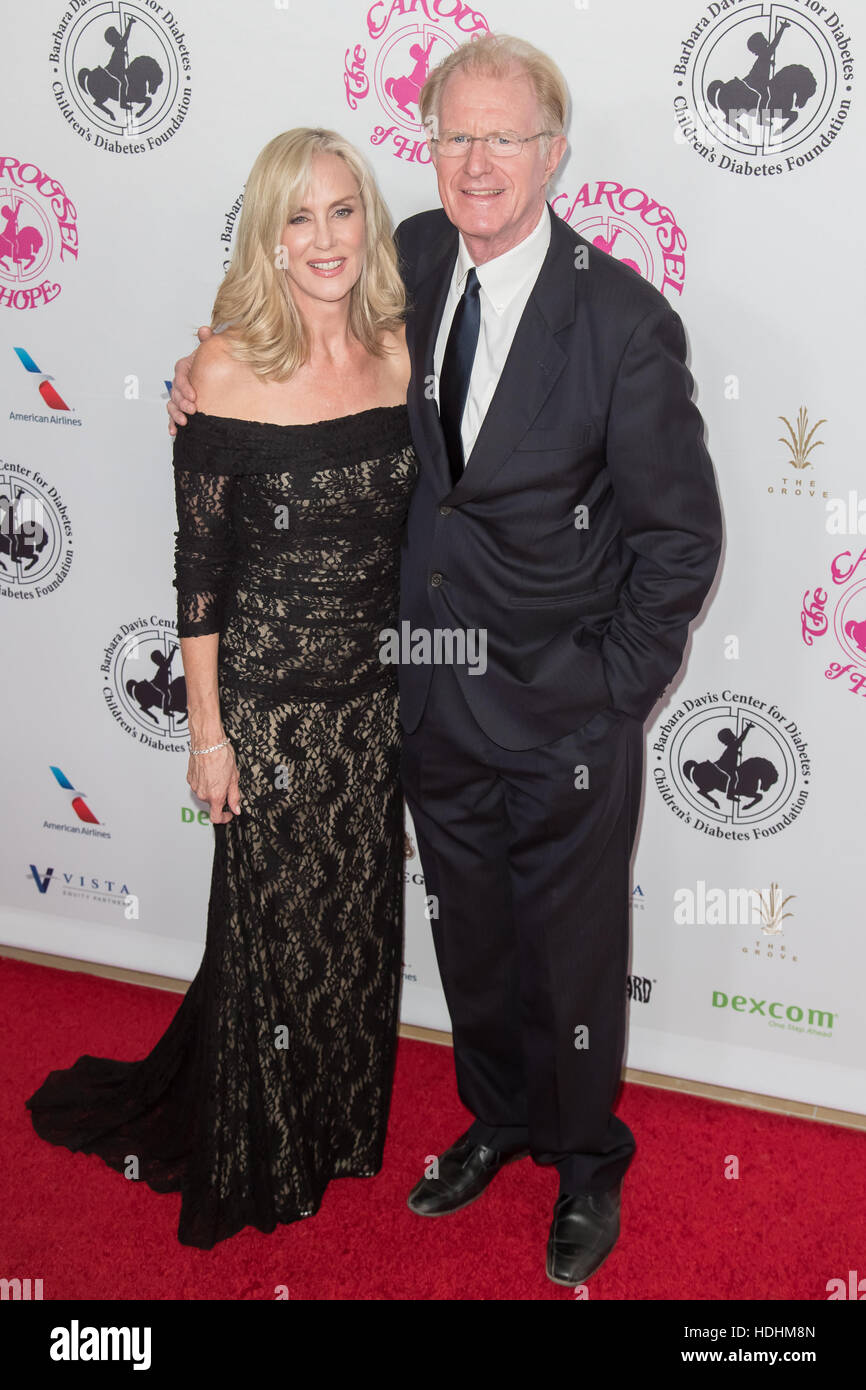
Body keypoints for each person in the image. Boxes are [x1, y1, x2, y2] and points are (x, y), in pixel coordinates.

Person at [169, 33, 723, 1287]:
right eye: (452, 137)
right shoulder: (406, 256)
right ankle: (500, 1118)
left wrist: (607, 691)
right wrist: (191, 383)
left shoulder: (625, 322)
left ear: (551, 150)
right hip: (423, 695)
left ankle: (585, 1161)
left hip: (564, 717)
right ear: (429, 148)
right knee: (470, 934)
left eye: (502, 137)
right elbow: (291, 339)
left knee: (571, 952)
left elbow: (680, 541)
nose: (476, 163)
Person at [25, 127, 416, 1249]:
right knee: (272, 933)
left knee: (354, 928)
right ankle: (261, 1148)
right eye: (299, 216)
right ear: (268, 236)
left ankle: (337, 1125)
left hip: (373, 701)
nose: (325, 236)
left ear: (367, 223)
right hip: (270, 705)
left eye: (343, 210)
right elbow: (200, 577)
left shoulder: (399, 349)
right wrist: (208, 737)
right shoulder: (225, 370)